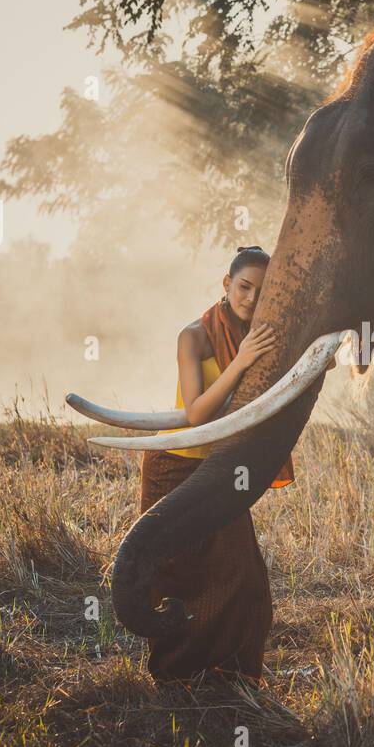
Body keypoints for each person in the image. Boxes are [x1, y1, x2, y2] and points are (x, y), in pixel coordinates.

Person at [137, 245, 292, 683]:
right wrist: (243, 360)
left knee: (243, 577)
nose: (250, 299)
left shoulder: (261, 333)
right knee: (178, 575)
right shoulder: (194, 336)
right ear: (226, 284)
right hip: (175, 466)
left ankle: (233, 676)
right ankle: (177, 676)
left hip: (221, 469)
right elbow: (197, 414)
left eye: (262, 294)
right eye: (244, 287)